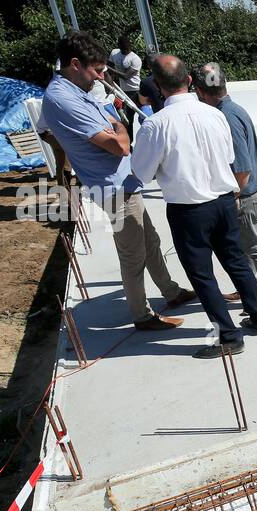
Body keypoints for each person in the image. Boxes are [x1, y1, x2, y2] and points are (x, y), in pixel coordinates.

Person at [39, 30, 194, 331]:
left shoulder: (75, 93)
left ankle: (171, 292)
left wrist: (116, 127)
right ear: (74, 64)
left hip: (123, 183)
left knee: (150, 241)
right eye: (97, 70)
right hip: (113, 189)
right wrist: (121, 129)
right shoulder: (61, 100)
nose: (100, 78)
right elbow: (119, 144)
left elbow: (112, 126)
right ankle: (142, 315)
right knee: (133, 254)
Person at [130, 54, 257, 359]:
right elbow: (230, 159)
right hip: (223, 202)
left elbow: (141, 173)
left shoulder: (156, 125)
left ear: (156, 86)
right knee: (235, 260)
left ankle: (230, 337)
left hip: (189, 210)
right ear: (189, 81)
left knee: (202, 275)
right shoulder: (215, 114)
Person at [191, 62, 257, 308]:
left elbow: (242, 168)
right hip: (249, 193)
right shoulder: (232, 110)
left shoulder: (227, 117)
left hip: (246, 196)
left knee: (253, 245)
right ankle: (248, 288)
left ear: (199, 91)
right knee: (243, 247)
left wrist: (234, 197)